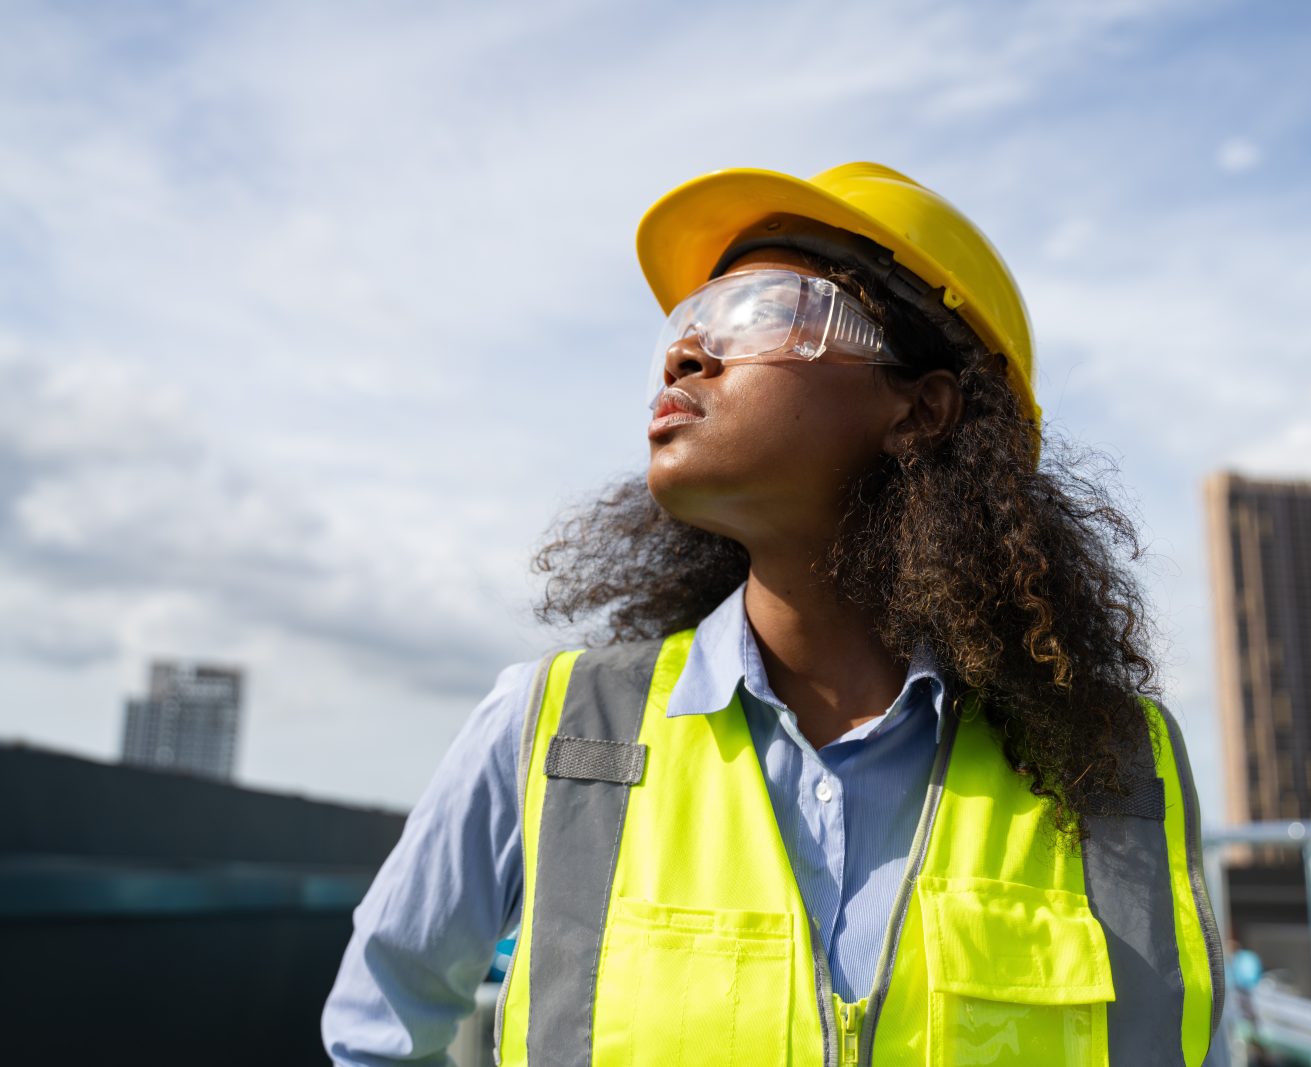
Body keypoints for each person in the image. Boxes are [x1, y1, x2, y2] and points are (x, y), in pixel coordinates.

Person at [323, 162, 1222, 1066]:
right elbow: (374, 1035)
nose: (684, 353)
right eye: (686, 326)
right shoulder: (549, 730)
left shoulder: (1115, 768)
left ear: (922, 411)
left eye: (760, 309)